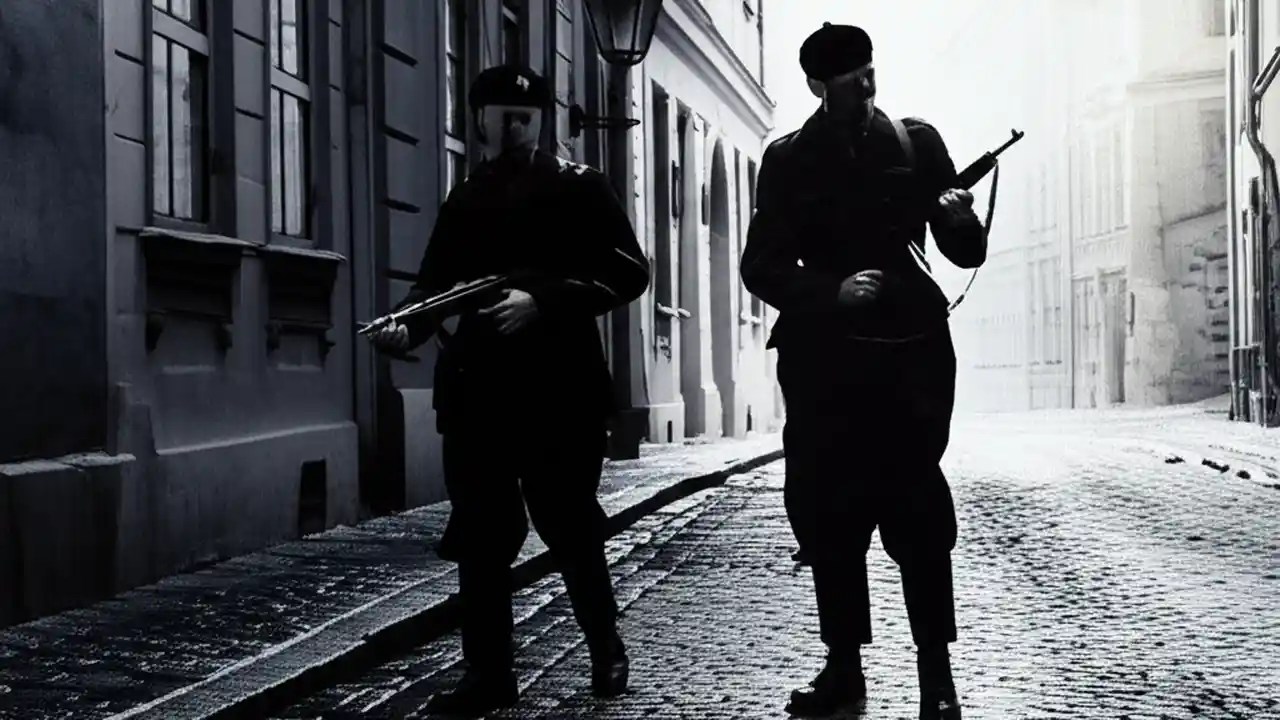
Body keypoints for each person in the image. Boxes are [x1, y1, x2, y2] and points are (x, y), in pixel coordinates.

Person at [367, 63, 650, 718]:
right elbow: (435, 287)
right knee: (482, 536)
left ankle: (605, 643)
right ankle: (487, 674)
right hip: (481, 390)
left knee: (570, 525)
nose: (518, 124)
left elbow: (628, 273)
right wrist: (405, 328)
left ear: (543, 120)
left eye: (529, 115)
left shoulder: (582, 190)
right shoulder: (466, 199)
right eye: (504, 114)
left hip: (561, 389)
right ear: (481, 121)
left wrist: (542, 301)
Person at [740, 23, 985, 720]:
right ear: (819, 86)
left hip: (911, 354)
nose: (868, 88)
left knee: (920, 512)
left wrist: (960, 220)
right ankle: (842, 670)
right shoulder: (786, 160)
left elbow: (962, 253)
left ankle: (936, 678)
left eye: (871, 73)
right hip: (824, 362)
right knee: (829, 515)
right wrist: (830, 292)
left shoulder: (917, 143)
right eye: (851, 80)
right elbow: (760, 265)